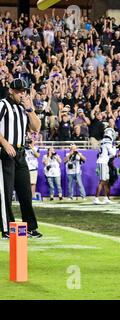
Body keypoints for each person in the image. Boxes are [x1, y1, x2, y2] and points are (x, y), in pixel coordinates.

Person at [0, 79, 43, 238]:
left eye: (23, 91)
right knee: (5, 194)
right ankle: (6, 229)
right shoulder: (3, 104)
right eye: (18, 91)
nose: (21, 94)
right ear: (10, 90)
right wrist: (4, 143)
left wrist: (30, 109)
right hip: (5, 153)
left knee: (26, 193)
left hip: (20, 152)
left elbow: (36, 128)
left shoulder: (23, 109)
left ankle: (30, 227)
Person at [93, 127, 117, 205]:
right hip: (103, 162)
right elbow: (113, 153)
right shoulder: (108, 142)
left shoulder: (103, 141)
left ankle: (106, 198)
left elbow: (106, 154)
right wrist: (115, 147)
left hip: (103, 161)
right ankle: (96, 198)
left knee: (106, 181)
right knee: (102, 181)